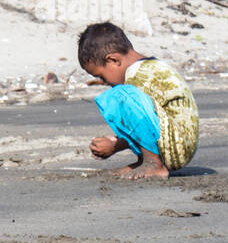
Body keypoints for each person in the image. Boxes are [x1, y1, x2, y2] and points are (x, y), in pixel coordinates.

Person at [79, 21, 199, 179]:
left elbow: (143, 117)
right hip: (178, 144)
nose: (105, 82)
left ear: (113, 60)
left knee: (119, 96)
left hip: (176, 145)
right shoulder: (149, 68)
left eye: (102, 76)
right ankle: (146, 161)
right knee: (125, 98)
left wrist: (115, 145)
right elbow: (149, 119)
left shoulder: (138, 74)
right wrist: (115, 144)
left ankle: (153, 163)